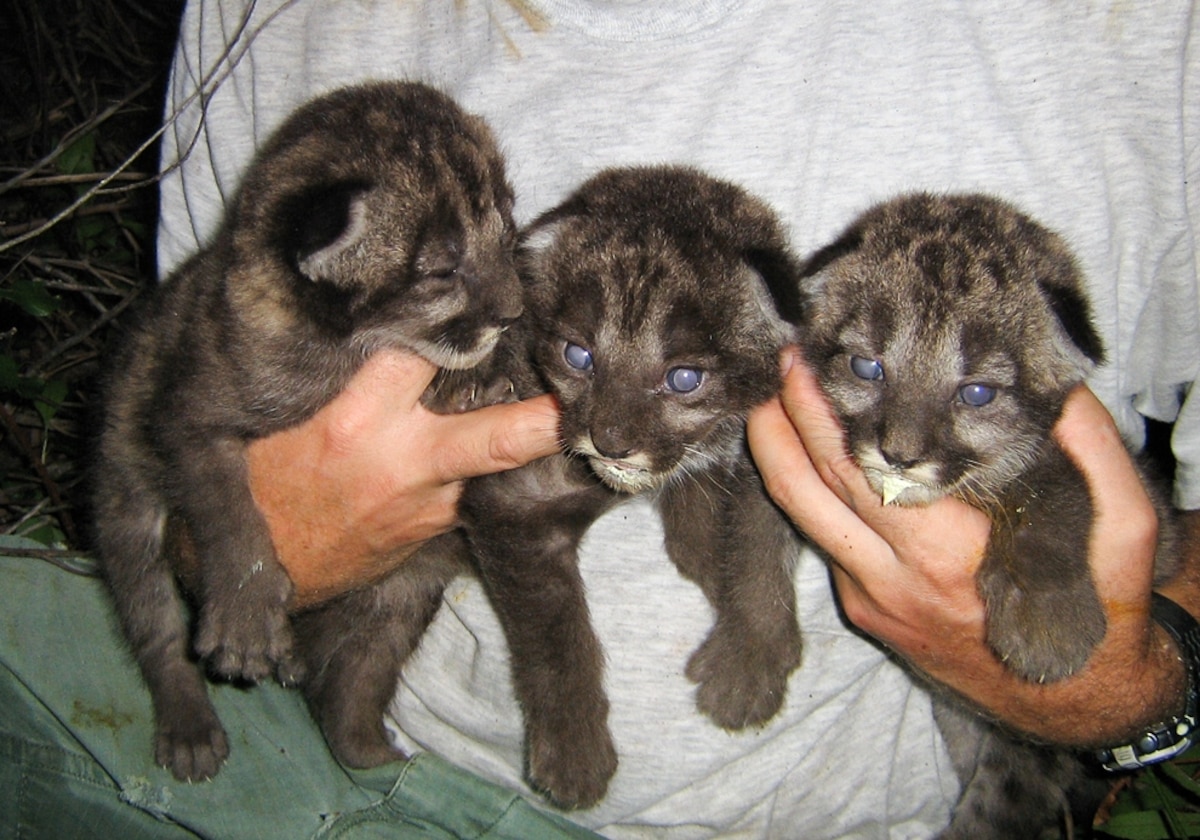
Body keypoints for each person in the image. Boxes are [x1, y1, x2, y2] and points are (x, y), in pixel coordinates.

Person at [1, 1, 1196, 837]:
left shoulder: (1137, 33)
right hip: (393, 789)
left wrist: (1145, 688)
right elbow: (172, 444)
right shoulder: (272, 15)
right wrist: (266, 552)